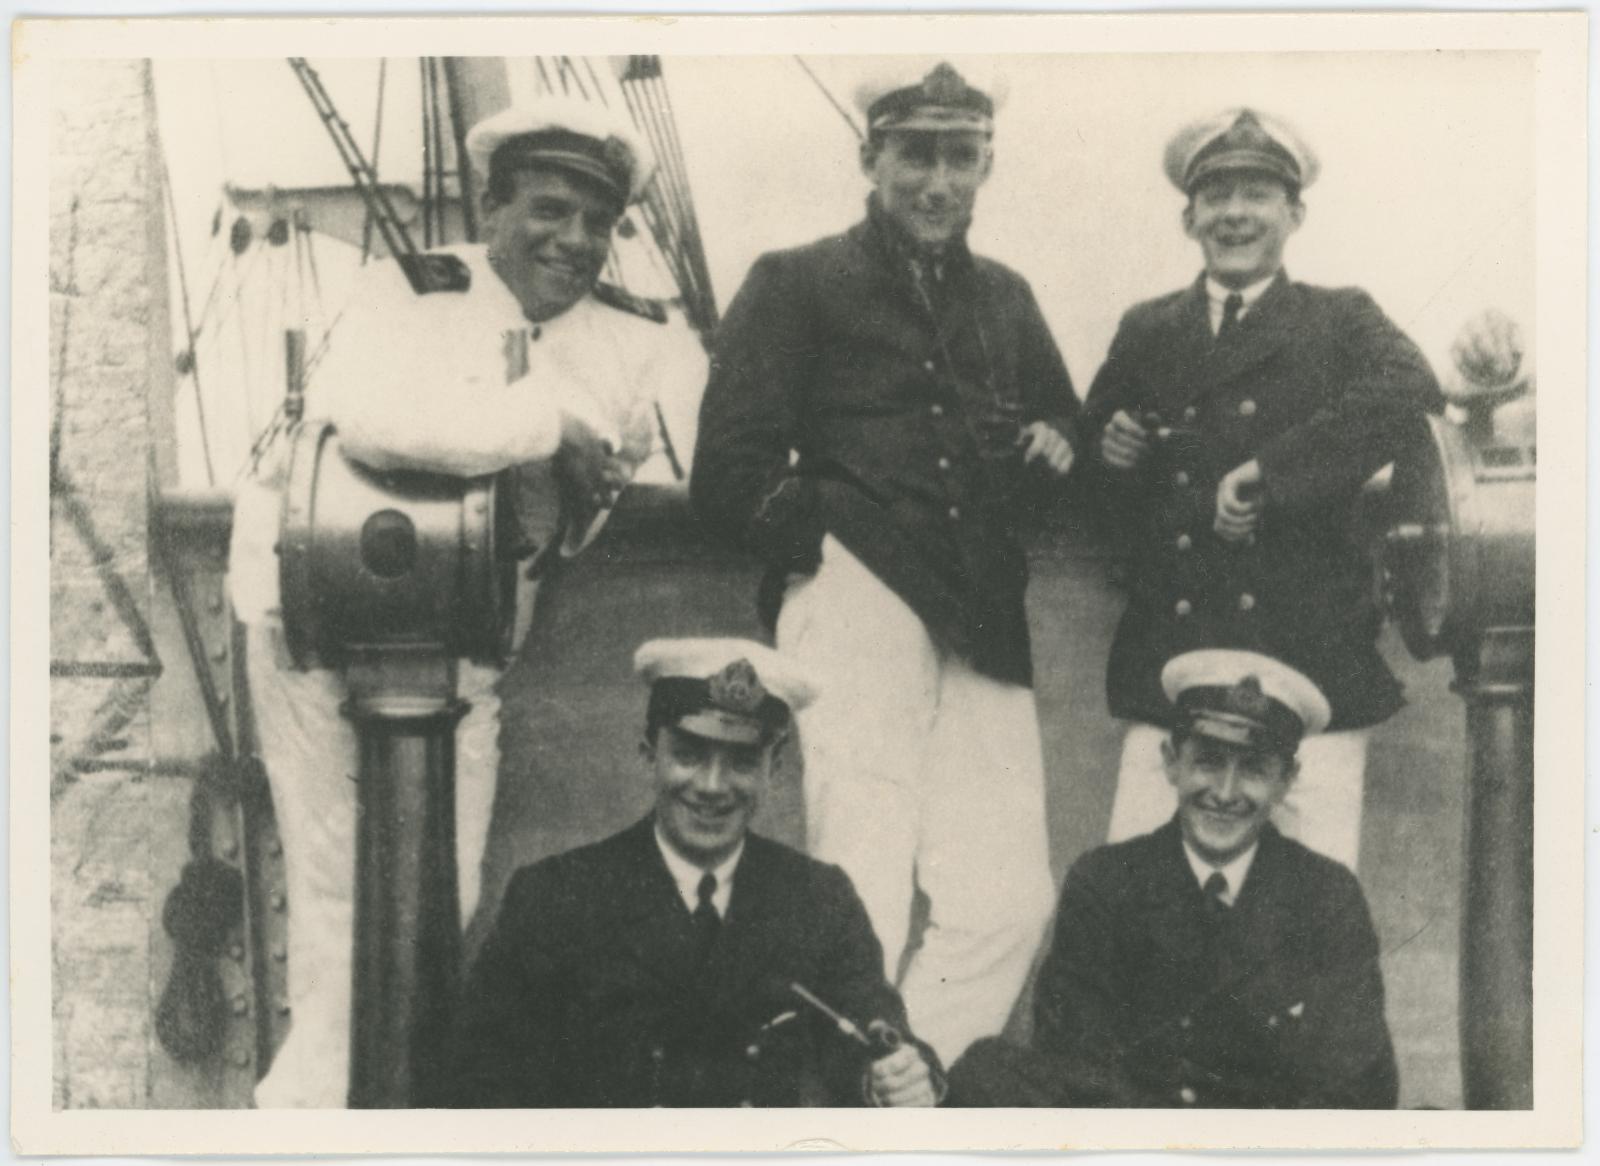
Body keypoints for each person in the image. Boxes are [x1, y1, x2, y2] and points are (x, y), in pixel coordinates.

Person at [227, 96, 709, 1107]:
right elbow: (370, 419)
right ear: (491, 206)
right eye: (546, 209)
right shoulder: (405, 288)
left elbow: (605, 501)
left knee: (431, 914)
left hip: (468, 645)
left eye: (596, 221)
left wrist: (590, 475)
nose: (572, 241)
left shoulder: (634, 336)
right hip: (316, 621)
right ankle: (307, 1122)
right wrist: (549, 419)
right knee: (335, 915)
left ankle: (341, 1115)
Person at [690, 60, 1078, 1068]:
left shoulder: (1008, 297)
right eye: (915, 155)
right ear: (870, 157)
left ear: (986, 164)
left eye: (959, 156)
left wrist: (1055, 444)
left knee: (1006, 896)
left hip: (982, 609)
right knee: (855, 870)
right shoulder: (796, 279)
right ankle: (827, 1094)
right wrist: (820, 545)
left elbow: (1059, 430)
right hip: (858, 592)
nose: (937, 181)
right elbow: (726, 469)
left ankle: (906, 1078)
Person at [1076, 107, 1445, 870]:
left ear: (1294, 213)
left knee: (1314, 904)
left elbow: (1412, 388)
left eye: (1257, 195)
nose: (1235, 214)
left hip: (1309, 667)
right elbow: (1096, 490)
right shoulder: (1147, 328)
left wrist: (1272, 475)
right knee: (1139, 904)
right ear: (1189, 217)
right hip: (1174, 668)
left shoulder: (1341, 319)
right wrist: (1112, 454)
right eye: (1217, 197)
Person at [447, 638, 943, 1108]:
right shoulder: (556, 897)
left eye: (742, 762)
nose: (712, 786)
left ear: (774, 767)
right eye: (688, 754)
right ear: (648, 753)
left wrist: (894, 1080)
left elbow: (876, 1039)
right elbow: (483, 1082)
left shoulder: (818, 899)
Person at [949, 649, 1399, 1109]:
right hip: (1133, 1142)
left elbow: (1359, 1081)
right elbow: (1075, 1057)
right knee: (984, 1075)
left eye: (1253, 769)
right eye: (1208, 761)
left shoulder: (1326, 896)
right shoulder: (1105, 882)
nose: (1225, 793)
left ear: (1286, 781)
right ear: (1171, 762)